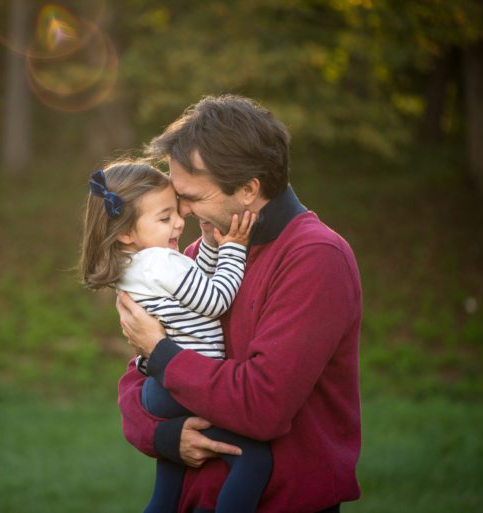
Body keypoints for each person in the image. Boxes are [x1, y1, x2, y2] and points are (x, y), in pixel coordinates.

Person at [116, 95, 362, 513]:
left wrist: (161, 353)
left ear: (248, 189)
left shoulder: (315, 257)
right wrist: (165, 438)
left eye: (191, 197)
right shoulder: (200, 252)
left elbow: (262, 405)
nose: (183, 212)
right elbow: (135, 387)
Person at [79, 161, 272, 513]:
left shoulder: (134, 265)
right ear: (126, 232)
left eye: (176, 213)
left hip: (163, 383)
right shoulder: (161, 262)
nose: (179, 222)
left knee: (169, 485)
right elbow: (214, 300)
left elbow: (194, 283)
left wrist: (211, 244)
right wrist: (234, 247)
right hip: (184, 385)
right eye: (165, 218)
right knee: (253, 459)